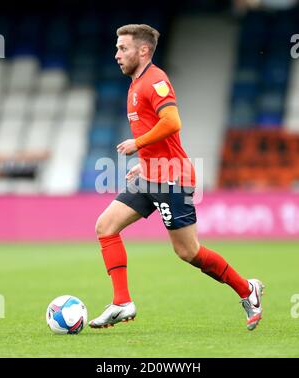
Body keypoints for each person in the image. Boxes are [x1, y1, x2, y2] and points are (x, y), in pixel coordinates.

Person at [89, 24, 264, 331]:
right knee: (105, 227)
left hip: (173, 179)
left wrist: (137, 145)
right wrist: (144, 163)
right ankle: (121, 302)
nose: (117, 54)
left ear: (143, 50)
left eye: (123, 48)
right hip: (151, 174)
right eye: (117, 48)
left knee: (188, 252)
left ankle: (247, 290)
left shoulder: (154, 80)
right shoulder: (134, 85)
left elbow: (172, 121)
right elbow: (159, 137)